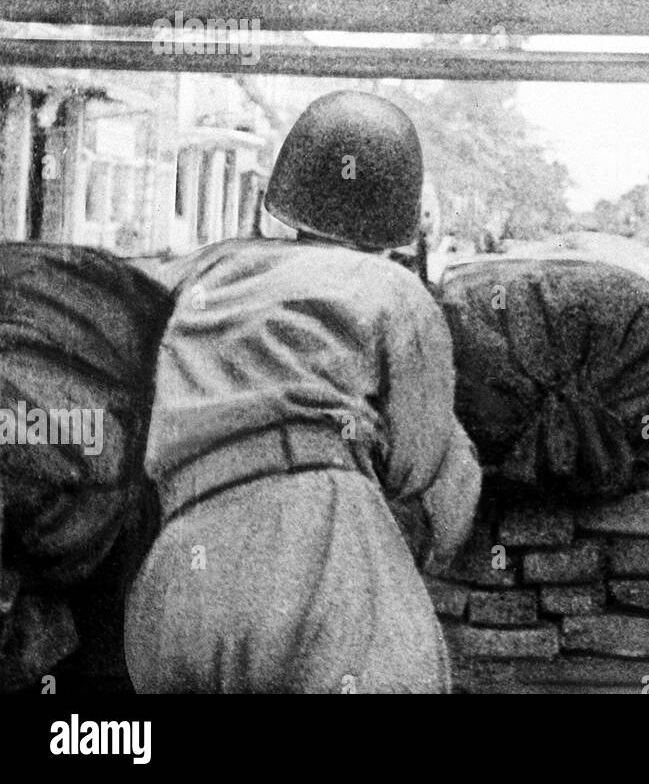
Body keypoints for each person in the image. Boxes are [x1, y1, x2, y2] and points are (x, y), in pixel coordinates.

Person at [125, 91, 481, 693]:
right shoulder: (395, 292)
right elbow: (419, 464)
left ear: (285, 190)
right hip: (320, 551)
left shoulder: (207, 269)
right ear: (399, 212)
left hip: (179, 569)